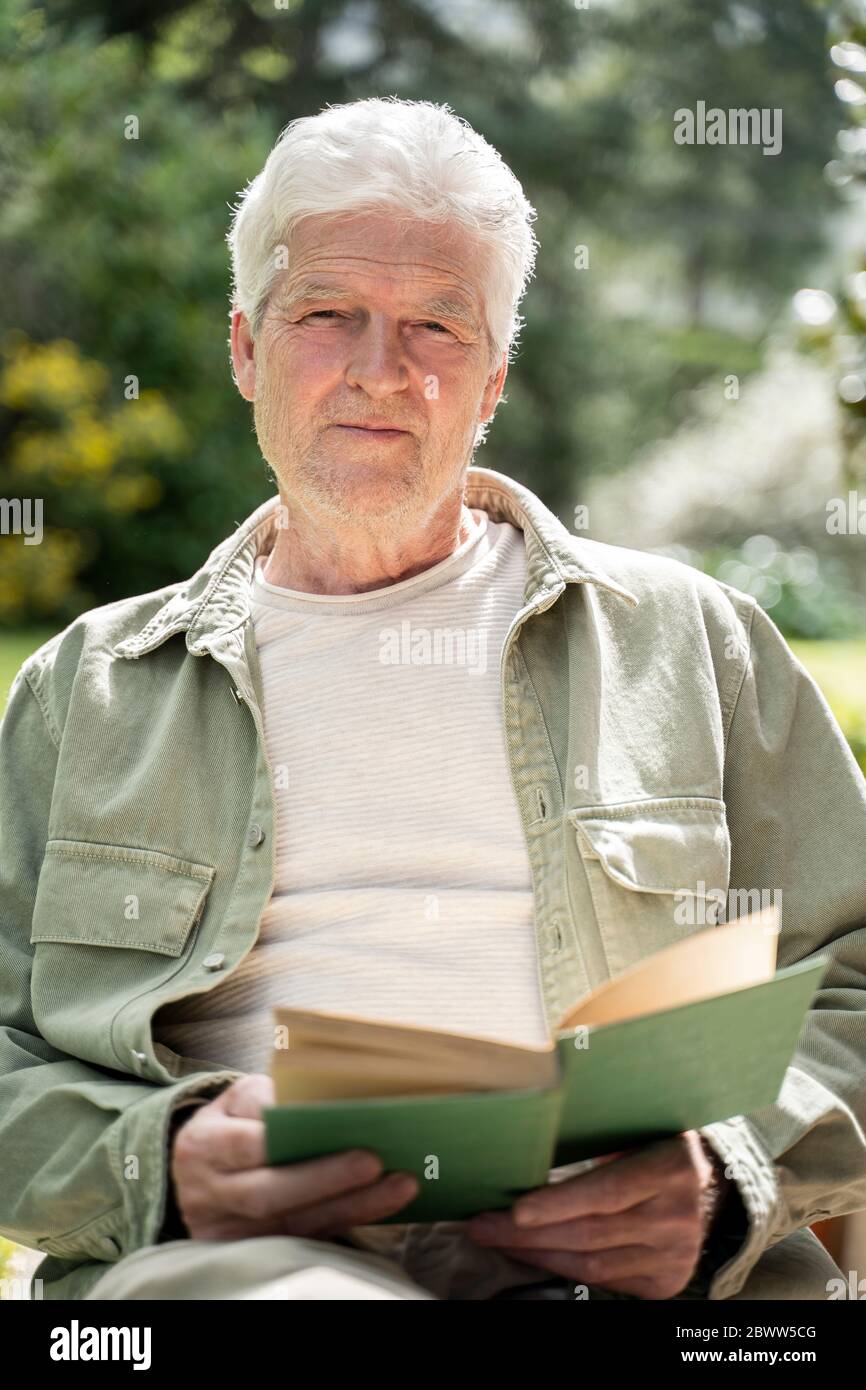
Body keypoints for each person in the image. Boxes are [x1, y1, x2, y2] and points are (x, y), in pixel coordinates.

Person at [1, 98, 864, 1303]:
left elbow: (855, 972)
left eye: (435, 325)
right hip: (248, 1265)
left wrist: (726, 1175)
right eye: (325, 316)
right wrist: (157, 1161)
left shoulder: (692, 643)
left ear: (494, 375)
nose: (378, 369)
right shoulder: (84, 690)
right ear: (244, 345)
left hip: (635, 1278)